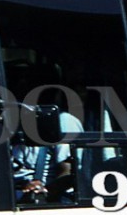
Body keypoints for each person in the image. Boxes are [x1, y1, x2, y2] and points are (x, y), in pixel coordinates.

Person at [6, 61, 84, 203]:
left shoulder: (64, 122)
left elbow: (68, 172)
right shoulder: (14, 124)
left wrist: (43, 193)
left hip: (44, 205)